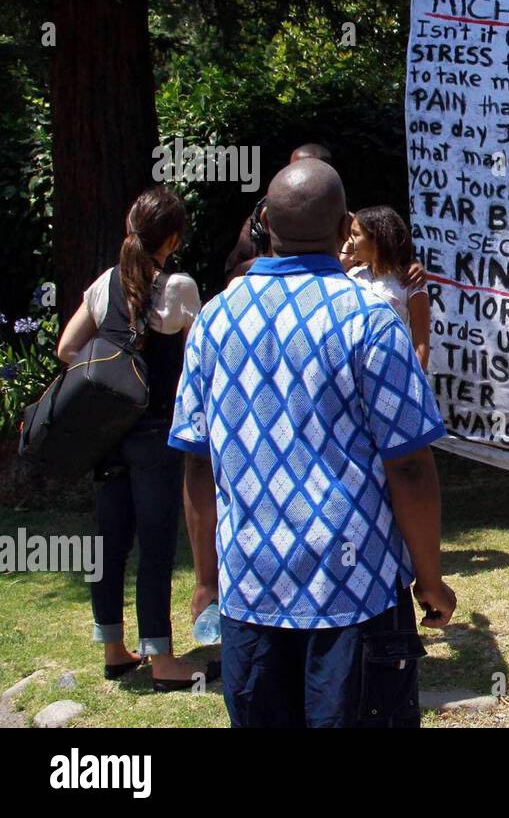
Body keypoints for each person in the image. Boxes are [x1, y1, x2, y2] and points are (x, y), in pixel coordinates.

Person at [169, 157, 456, 728]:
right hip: (355, 593)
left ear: (265, 224)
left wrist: (206, 579)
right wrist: (430, 580)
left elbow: (198, 465)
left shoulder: (214, 321)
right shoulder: (371, 320)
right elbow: (409, 466)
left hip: (251, 588)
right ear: (345, 225)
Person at [56, 186, 216, 690]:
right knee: (156, 545)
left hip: (108, 433)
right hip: (156, 433)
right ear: (173, 239)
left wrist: (112, 381)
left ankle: (114, 650)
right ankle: (163, 662)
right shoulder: (180, 287)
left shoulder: (104, 284)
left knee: (110, 543)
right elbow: (197, 361)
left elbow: (67, 348)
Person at [224, 143, 332, 285]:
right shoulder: (262, 214)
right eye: (295, 171)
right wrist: (268, 263)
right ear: (266, 222)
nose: (303, 179)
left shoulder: (343, 217)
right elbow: (233, 276)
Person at [344, 206, 431, 371]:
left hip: (393, 372)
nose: (349, 240)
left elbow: (421, 346)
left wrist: (412, 382)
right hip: (354, 372)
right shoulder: (351, 276)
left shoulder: (409, 281)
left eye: (355, 234)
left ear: (377, 240)